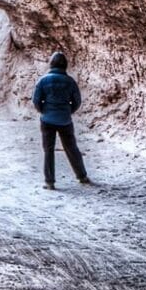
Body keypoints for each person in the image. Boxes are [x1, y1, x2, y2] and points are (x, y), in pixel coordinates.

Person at [33, 51, 92, 189]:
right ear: (65, 65)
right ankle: (82, 176)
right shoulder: (70, 81)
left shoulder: (43, 80)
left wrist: (44, 110)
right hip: (65, 120)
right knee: (71, 148)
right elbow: (77, 101)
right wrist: (68, 111)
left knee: (48, 150)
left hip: (47, 120)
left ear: (51, 64)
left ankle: (50, 182)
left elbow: (36, 100)